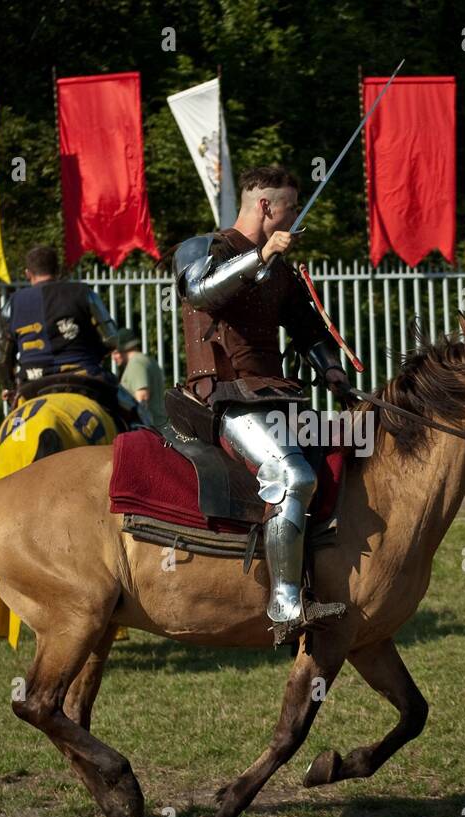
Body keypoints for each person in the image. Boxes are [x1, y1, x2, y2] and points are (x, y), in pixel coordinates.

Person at [174, 164, 353, 643]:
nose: (296, 220)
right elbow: (200, 290)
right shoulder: (202, 247)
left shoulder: (282, 269)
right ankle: (285, 605)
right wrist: (260, 256)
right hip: (223, 396)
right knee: (291, 476)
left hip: (276, 394)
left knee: (353, 452)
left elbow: (307, 328)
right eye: (291, 209)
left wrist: (332, 371)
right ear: (266, 207)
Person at [0, 245, 120, 400]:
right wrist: (92, 356)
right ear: (58, 270)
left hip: (31, 383)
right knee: (131, 409)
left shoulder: (12, 304)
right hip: (83, 376)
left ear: (28, 274)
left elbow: (0, 359)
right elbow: (111, 339)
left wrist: (10, 387)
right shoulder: (84, 293)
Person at [110, 327, 168, 429]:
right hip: (158, 427)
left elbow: (142, 398)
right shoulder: (147, 360)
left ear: (122, 348)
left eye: (115, 352)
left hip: (150, 430)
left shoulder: (136, 363)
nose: (113, 358)